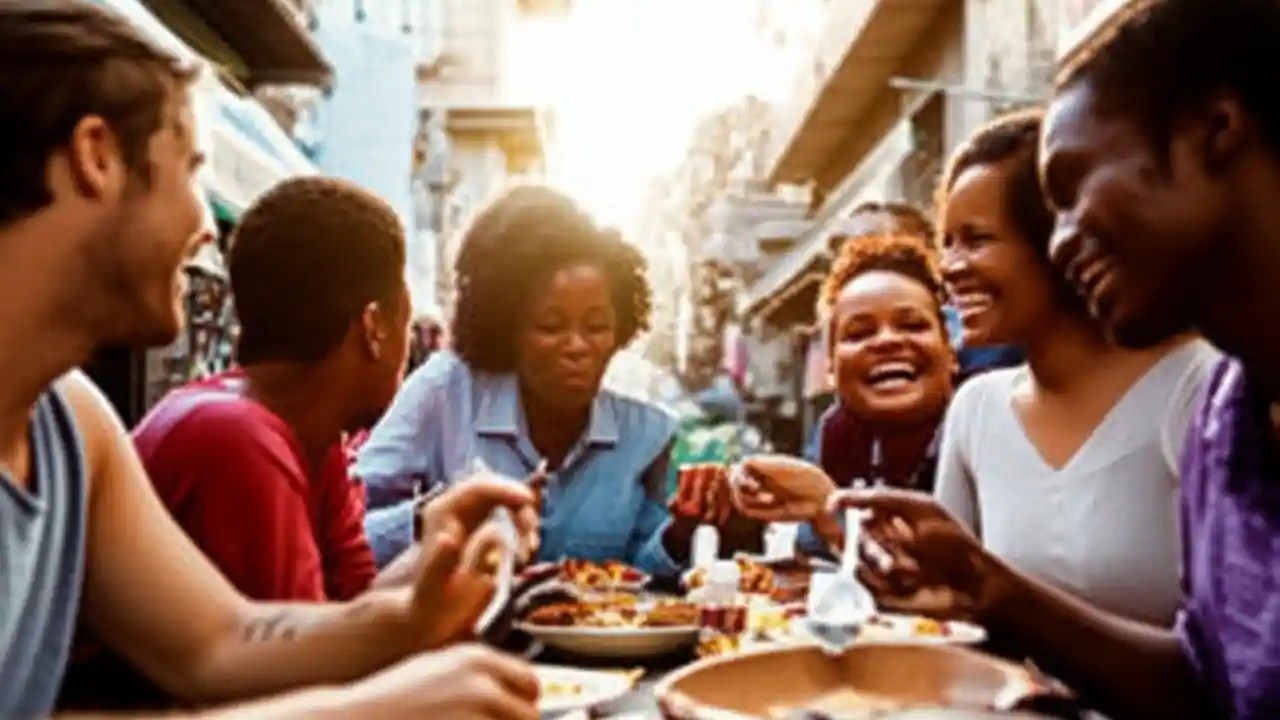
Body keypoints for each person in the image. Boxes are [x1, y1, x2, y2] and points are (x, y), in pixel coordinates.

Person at [0, 3, 537, 718]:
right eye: (191, 168)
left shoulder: (73, 425)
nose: (204, 226)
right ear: (97, 156)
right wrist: (364, 710)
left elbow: (220, 640)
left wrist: (417, 612)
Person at [808, 1, 1280, 718]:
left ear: (1213, 131)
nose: (1060, 243)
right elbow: (1206, 684)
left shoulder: (1193, 395)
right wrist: (987, 586)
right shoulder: (1229, 415)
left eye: (1074, 187)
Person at [933, 109, 1217, 626]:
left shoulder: (1196, 390)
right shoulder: (976, 408)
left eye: (976, 240)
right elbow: (948, 611)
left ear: (1056, 240)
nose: (950, 268)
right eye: (946, 243)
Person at [357, 185, 723, 575]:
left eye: (597, 326)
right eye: (550, 326)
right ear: (508, 326)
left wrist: (680, 534)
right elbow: (347, 536)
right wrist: (434, 515)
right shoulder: (444, 391)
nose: (577, 346)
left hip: (593, 635)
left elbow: (643, 580)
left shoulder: (646, 435)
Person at [132, 177, 410, 604]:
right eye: (407, 322)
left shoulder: (314, 435)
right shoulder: (238, 442)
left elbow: (356, 613)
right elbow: (302, 660)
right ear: (374, 327)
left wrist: (448, 547)